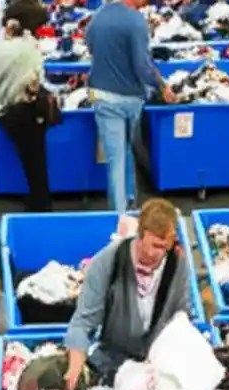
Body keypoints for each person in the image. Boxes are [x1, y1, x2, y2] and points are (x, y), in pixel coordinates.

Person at [63, 198, 192, 390]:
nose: (152, 253)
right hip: (112, 357)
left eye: (161, 248)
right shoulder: (108, 261)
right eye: (150, 244)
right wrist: (74, 366)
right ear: (139, 235)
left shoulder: (177, 263)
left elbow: (181, 314)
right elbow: (83, 321)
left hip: (158, 361)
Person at [86, 0, 175, 234]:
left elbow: (91, 47)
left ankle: (124, 207)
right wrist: (161, 85)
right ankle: (123, 214)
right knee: (125, 149)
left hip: (102, 96)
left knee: (116, 155)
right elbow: (141, 65)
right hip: (130, 98)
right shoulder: (136, 21)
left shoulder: (98, 16)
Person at [0, 0, 53, 212]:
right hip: (25, 110)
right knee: (36, 163)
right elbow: (37, 77)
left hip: (3, 108)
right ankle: (41, 206)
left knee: (29, 161)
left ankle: (35, 201)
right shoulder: (27, 47)